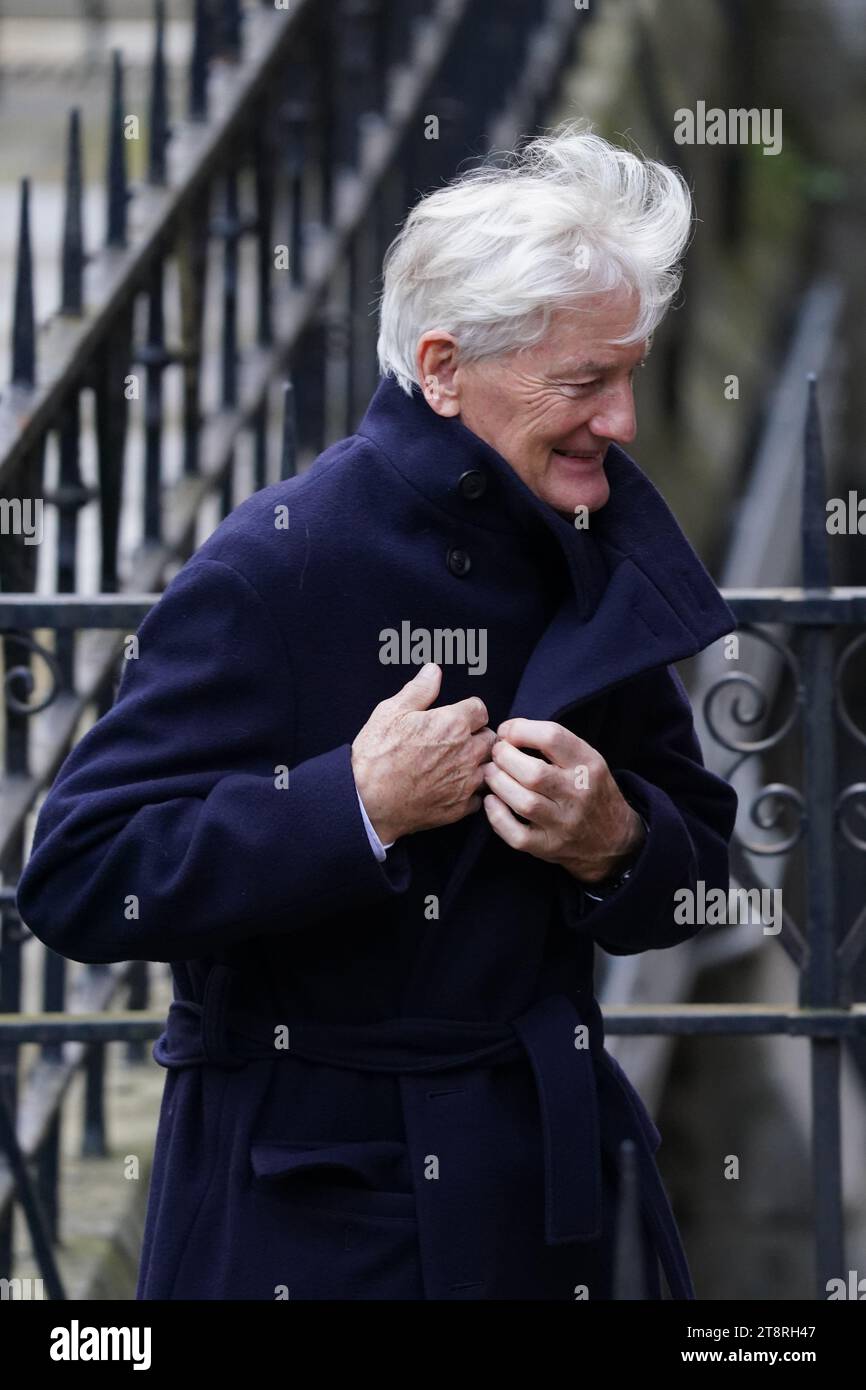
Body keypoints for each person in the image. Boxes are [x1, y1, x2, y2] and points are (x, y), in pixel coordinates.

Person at [16, 120, 738, 1300]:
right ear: (445, 368)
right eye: (583, 382)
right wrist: (349, 806)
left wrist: (615, 840)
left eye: (630, 374)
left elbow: (704, 859)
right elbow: (81, 874)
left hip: (549, 1192)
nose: (622, 423)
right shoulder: (279, 563)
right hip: (312, 1217)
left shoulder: (588, 539)